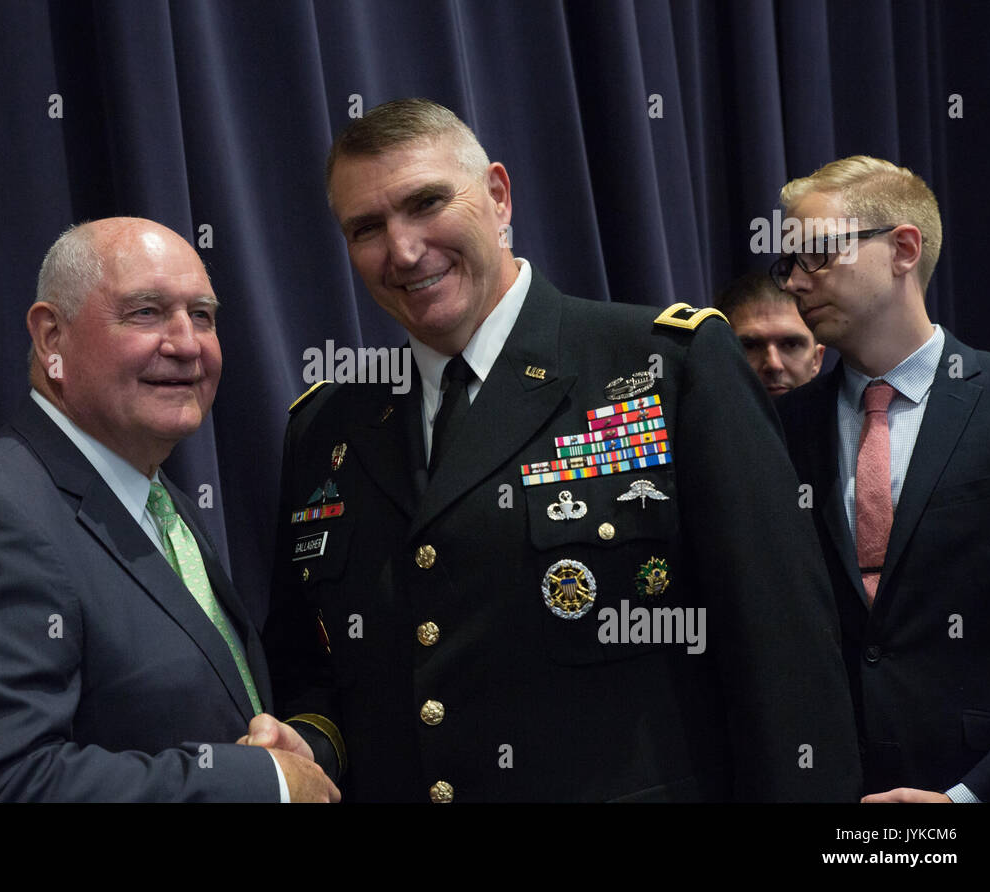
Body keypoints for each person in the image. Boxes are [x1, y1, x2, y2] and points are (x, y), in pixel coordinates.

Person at [259, 98, 861, 802]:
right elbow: (313, 670)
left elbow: (783, 654)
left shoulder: (666, 365)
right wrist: (308, 742)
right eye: (366, 228)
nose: (403, 250)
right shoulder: (327, 425)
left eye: (426, 203)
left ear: (498, 195)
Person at [0, 217, 339, 802]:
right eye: (145, 312)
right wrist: (258, 784)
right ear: (51, 340)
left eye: (202, 315)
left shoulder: (156, 498)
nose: (186, 342)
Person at [774, 156, 990, 803]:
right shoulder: (776, 430)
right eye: (785, 263)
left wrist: (974, 795)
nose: (794, 281)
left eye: (816, 255)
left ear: (903, 249)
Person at [716, 272, 824, 395]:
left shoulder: (847, 413)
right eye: (750, 346)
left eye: (791, 345)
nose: (774, 365)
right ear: (721, 357)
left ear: (816, 359)